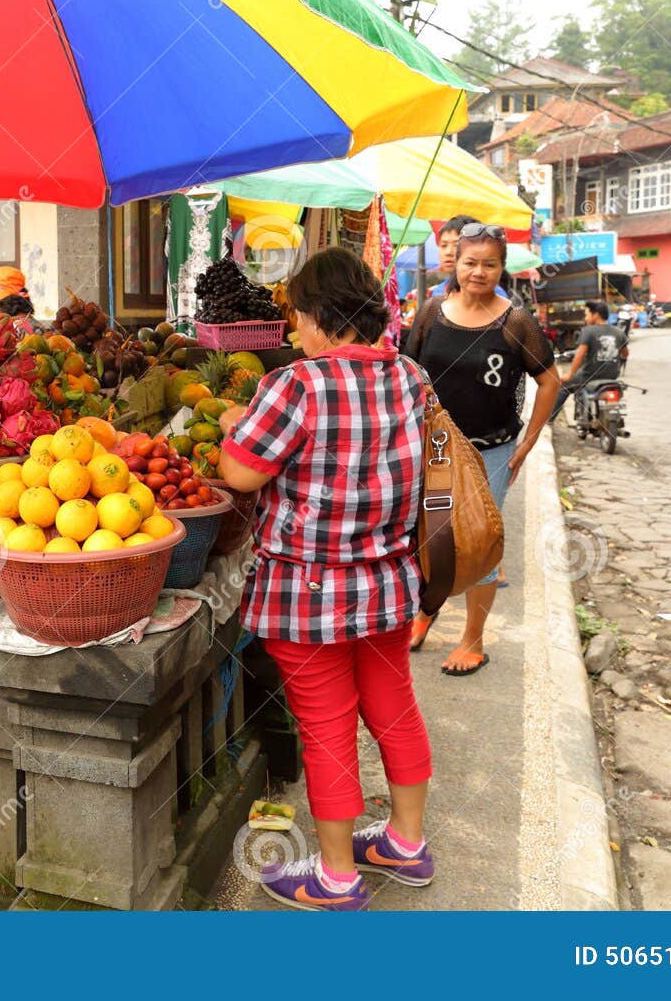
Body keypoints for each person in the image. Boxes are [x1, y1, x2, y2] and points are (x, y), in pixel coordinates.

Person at [216, 247, 433, 912]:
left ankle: (337, 877)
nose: (294, 331)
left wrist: (233, 425)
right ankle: (405, 841)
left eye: (298, 316)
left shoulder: (297, 385)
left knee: (326, 726)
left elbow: (241, 473)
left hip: (308, 593)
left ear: (318, 318)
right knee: (394, 706)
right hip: (388, 582)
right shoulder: (410, 375)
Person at [402, 222, 561, 676]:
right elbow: (408, 370)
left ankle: (472, 639)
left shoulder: (515, 322)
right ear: (456, 262)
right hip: (432, 449)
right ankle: (425, 613)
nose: (478, 272)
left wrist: (528, 442)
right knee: (425, 536)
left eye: (489, 264)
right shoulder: (432, 311)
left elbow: (550, 381)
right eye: (471, 262)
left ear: (501, 268)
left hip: (490, 450)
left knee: (478, 542)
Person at [550, 300, 628, 424]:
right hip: (612, 375)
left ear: (595, 314)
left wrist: (569, 375)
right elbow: (625, 354)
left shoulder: (588, 331)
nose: (586, 318)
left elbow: (579, 355)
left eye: (587, 314)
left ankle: (549, 419)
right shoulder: (619, 332)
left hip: (589, 375)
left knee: (564, 386)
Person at [427, 215, 508, 300]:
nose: (448, 252)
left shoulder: (496, 296)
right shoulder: (437, 292)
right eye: (444, 245)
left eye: (456, 245)